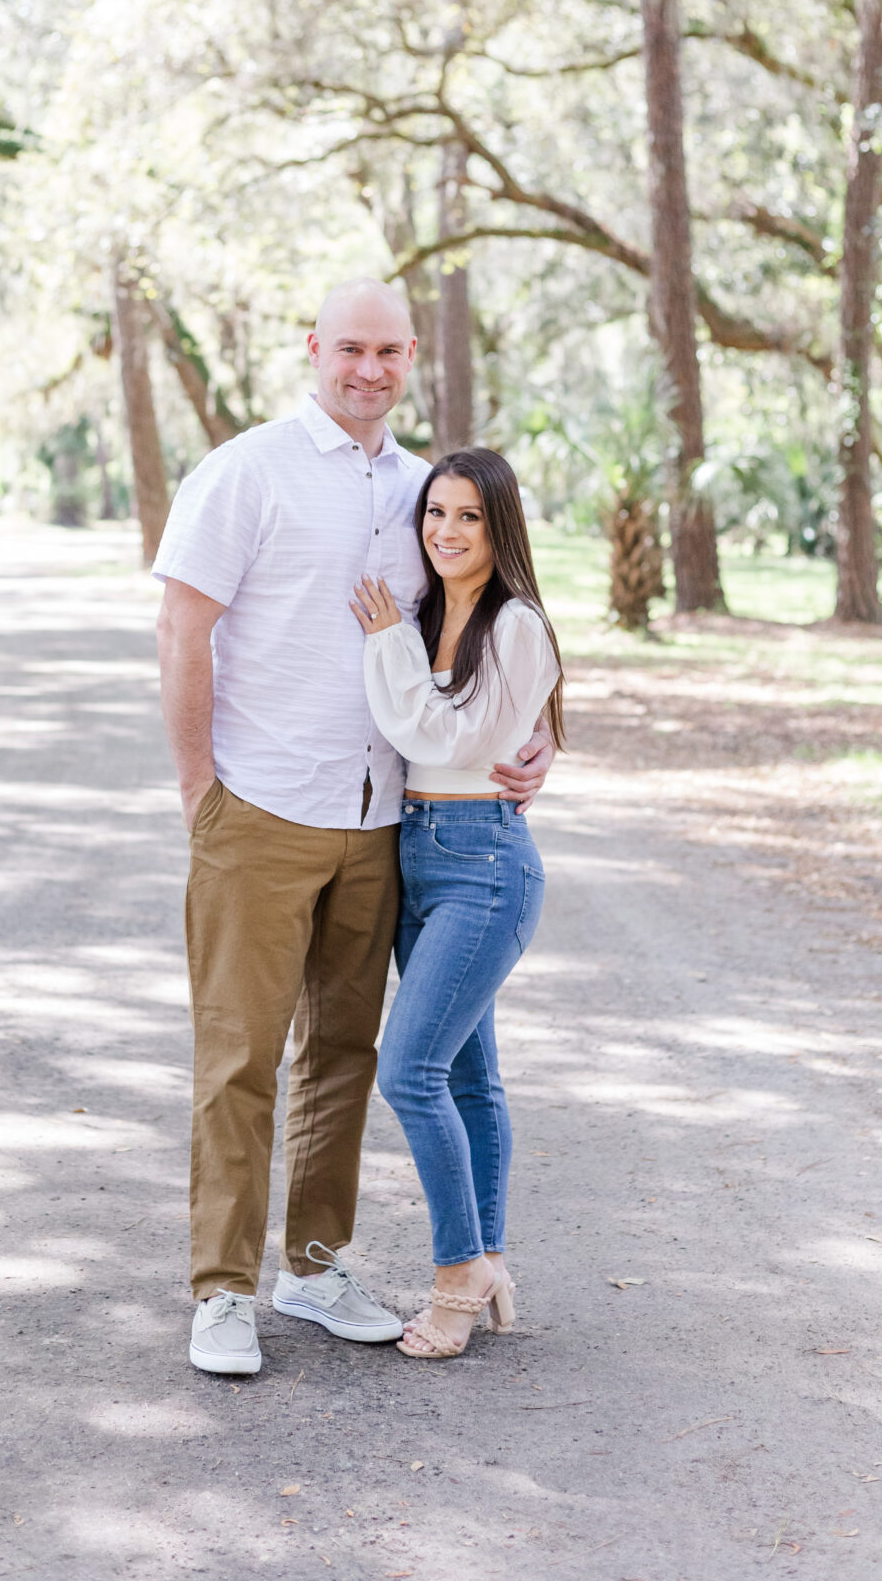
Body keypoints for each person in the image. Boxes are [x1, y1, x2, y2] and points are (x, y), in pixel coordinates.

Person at [154, 280, 554, 1376]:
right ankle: (223, 1289)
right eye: (349, 348)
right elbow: (184, 629)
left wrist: (538, 739)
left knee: (343, 1051)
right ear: (314, 349)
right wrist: (202, 793)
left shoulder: (429, 487)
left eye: (388, 350)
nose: (368, 369)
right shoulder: (246, 470)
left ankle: (315, 1264)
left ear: (410, 354)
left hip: (387, 821)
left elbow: (499, 617)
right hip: (263, 809)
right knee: (238, 1057)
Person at [351, 446, 565, 1361]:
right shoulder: (433, 613)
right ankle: (489, 1260)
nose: (445, 531)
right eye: (434, 513)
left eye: (468, 516)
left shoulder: (517, 626)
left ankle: (456, 1275)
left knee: (408, 1072)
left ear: (500, 525)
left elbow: (444, 732)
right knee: (469, 1078)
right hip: (416, 851)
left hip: (483, 862)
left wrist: (385, 642)